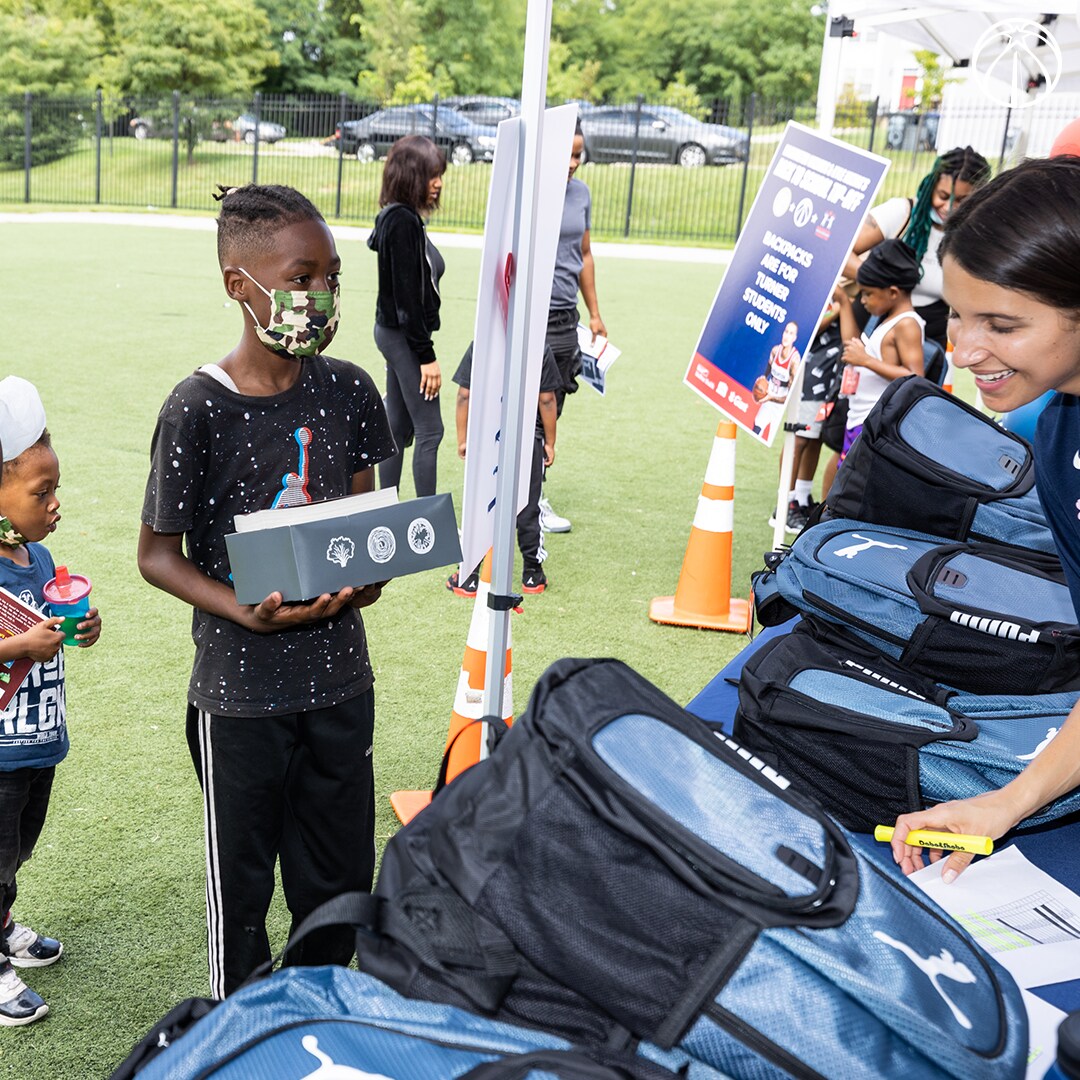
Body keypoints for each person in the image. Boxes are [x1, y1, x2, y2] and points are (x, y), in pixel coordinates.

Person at [138, 184, 396, 998]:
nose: (318, 296)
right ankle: (241, 1029)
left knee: (338, 884)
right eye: (300, 277)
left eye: (330, 277)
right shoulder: (197, 407)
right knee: (241, 892)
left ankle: (317, 1013)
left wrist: (363, 581)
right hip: (239, 698)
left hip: (340, 685)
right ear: (237, 284)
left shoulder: (351, 389)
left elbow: (366, 529)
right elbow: (155, 554)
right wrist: (236, 607)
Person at [888, 155, 1080, 882]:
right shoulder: (1060, 437)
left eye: (1000, 323)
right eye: (959, 315)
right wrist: (1009, 801)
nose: (963, 352)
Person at [0, 376, 101, 1025]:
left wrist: (81, 628)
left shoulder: (38, 558)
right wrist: (17, 648)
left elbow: (53, 625)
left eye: (55, 488)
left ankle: (3, 925)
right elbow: (21, 641)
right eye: (42, 493)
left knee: (18, 850)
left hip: (39, 742)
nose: (56, 503)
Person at [446, 342, 560, 596]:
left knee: (480, 503)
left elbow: (465, 393)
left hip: (487, 436)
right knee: (529, 505)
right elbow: (547, 399)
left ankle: (469, 577)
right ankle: (532, 574)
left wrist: (463, 437)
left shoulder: (483, 341)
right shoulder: (537, 347)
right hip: (528, 437)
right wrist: (550, 442)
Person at [368, 135, 447, 498]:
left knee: (397, 426)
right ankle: (425, 527)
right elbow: (407, 302)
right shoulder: (402, 221)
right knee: (430, 431)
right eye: (432, 175)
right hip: (403, 336)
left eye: (440, 175)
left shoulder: (400, 217)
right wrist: (426, 355)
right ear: (411, 175)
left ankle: (389, 514)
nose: (439, 183)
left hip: (393, 333)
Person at [539, 123, 607, 535]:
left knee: (554, 408)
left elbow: (584, 253)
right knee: (531, 409)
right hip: (532, 318)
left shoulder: (580, 193)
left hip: (566, 318)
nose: (572, 163)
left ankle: (533, 495)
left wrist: (594, 313)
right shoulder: (531, 193)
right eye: (567, 153)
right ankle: (522, 501)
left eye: (579, 154)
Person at [833, 238, 925, 464]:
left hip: (875, 423)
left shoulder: (907, 324)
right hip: (859, 418)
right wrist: (844, 302)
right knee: (847, 480)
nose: (863, 300)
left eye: (868, 294)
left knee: (854, 485)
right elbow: (852, 344)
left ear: (893, 292)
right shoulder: (885, 319)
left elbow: (915, 377)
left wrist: (865, 360)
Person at [753, 322, 801, 444]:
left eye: (791, 333)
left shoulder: (794, 361)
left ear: (794, 338)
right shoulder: (775, 350)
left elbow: (790, 397)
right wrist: (763, 378)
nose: (787, 336)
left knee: (771, 439)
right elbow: (769, 366)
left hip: (780, 405)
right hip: (768, 397)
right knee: (757, 428)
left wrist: (772, 398)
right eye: (786, 332)